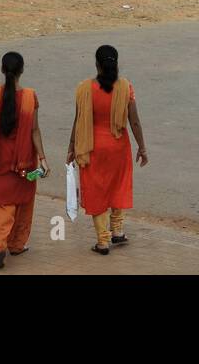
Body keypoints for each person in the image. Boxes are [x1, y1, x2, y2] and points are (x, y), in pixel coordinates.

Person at [67, 44, 148, 255]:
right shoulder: (125, 87)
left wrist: (71, 147)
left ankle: (103, 241)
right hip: (118, 147)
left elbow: (78, 121)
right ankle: (118, 230)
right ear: (116, 63)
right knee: (117, 186)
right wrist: (142, 147)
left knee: (97, 189)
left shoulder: (84, 88)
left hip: (92, 148)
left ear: (96, 64)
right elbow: (135, 122)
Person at [0, 51, 48, 269]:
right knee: (24, 201)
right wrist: (43, 159)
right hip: (24, 163)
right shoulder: (29, 96)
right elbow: (35, 131)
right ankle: (17, 244)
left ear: (2, 69)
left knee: (1, 205)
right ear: (22, 70)